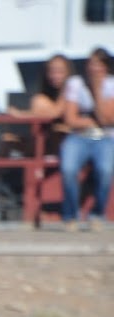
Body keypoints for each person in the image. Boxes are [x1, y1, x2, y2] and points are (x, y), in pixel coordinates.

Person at [59, 48, 114, 228]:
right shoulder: (76, 83)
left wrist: (97, 91)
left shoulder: (111, 85)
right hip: (79, 136)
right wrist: (93, 120)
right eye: (91, 63)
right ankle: (71, 215)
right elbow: (70, 118)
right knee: (68, 168)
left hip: (105, 137)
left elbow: (108, 119)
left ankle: (97, 214)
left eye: (98, 64)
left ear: (106, 67)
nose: (94, 68)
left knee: (105, 170)